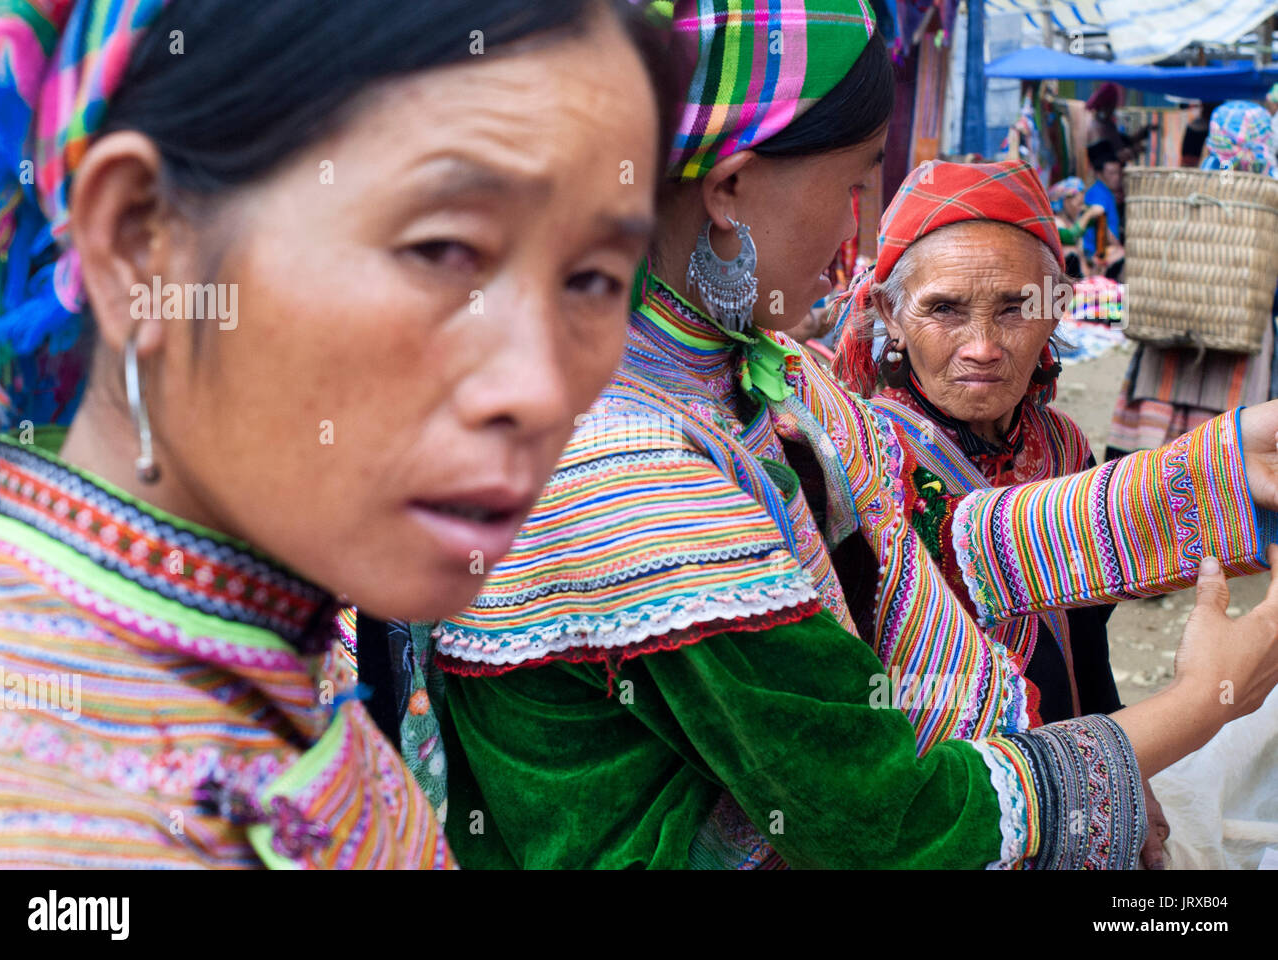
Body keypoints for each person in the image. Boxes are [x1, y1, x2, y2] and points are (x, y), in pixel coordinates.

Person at [425, 0, 1278, 870]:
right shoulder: (623, 461)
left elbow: (929, 544)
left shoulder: (764, 373)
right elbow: (884, 822)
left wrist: (1224, 471)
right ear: (728, 191)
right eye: (856, 183)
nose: (857, 234)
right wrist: (1201, 705)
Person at [0, 0, 663, 868]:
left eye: (594, 278)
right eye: (444, 249)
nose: (540, 388)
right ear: (140, 247)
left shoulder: (277, 680)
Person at [833, 159, 1169, 866]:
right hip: (949, 819)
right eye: (945, 308)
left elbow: (1083, 652)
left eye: (1015, 308)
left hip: (1078, 788)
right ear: (890, 312)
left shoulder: (1065, 446)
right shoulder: (857, 467)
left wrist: (1122, 779)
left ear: (1056, 308)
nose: (983, 348)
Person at [1107, 100, 1278, 459]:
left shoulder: (1178, 194)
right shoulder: (1269, 201)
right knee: (1228, 461)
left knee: (1150, 464)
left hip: (1169, 338)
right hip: (1241, 353)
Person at [1048, 176, 1113, 278]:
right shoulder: (1054, 223)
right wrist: (1089, 214)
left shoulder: (1075, 222)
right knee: (1071, 252)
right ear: (1065, 201)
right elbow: (1071, 237)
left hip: (1078, 281)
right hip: (1061, 285)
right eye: (1078, 203)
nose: (1080, 208)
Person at [1082, 141, 1125, 276]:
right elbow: (1102, 224)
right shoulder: (1098, 193)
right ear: (1099, 174)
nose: (1117, 178)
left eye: (1118, 173)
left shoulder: (1105, 192)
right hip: (1096, 252)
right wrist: (1118, 247)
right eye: (1112, 173)